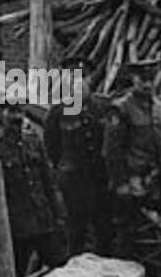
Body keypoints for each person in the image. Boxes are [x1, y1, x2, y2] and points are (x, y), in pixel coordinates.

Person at [0, 108, 67, 277]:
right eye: (11, 115)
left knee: (61, 266)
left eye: (19, 114)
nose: (16, 120)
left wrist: (58, 213)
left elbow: (48, 180)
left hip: (42, 219)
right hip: (16, 225)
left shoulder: (33, 142)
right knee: (14, 274)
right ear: (0, 118)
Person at [103, 69, 161, 260]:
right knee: (127, 227)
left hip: (155, 177)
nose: (147, 84)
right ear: (134, 79)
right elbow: (111, 150)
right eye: (142, 79)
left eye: (151, 79)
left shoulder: (159, 107)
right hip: (132, 178)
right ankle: (124, 268)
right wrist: (120, 183)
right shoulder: (121, 108)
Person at [43, 93, 112, 256]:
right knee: (75, 229)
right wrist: (65, 167)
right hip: (73, 181)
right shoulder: (59, 112)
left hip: (99, 177)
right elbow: (52, 146)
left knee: (103, 227)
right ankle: (75, 269)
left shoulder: (100, 107)